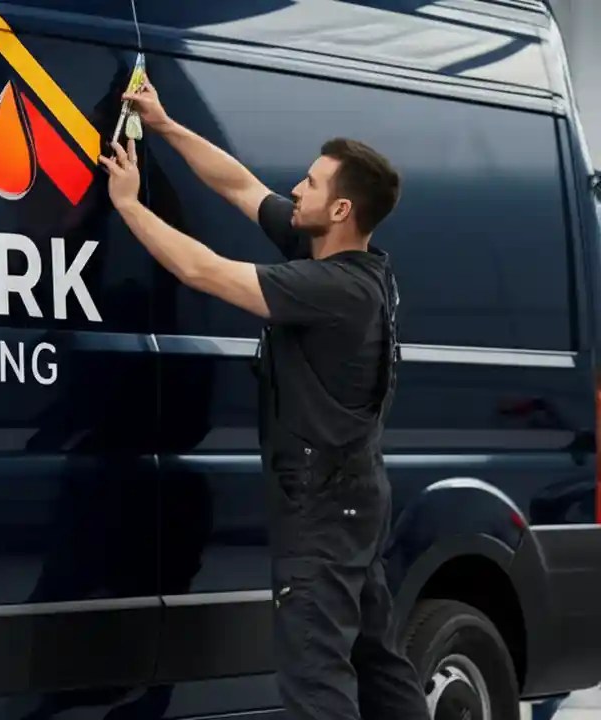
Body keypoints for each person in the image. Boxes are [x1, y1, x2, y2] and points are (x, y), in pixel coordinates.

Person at [98, 80, 430, 720]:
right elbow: (239, 188)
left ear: (340, 212)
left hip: (324, 507)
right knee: (378, 664)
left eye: (310, 183)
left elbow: (204, 272)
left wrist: (131, 207)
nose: (296, 190)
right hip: (353, 495)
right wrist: (164, 125)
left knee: (316, 676)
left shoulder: (336, 289)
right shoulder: (352, 262)